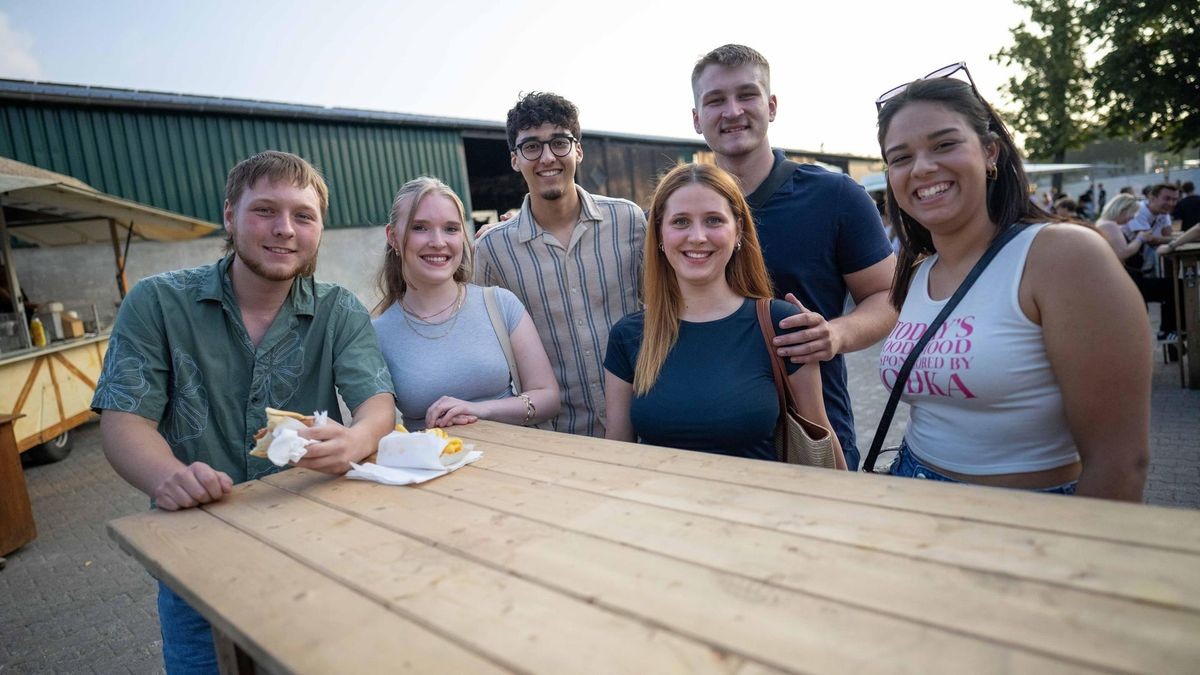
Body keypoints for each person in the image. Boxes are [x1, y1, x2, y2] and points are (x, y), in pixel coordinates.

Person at [92, 151, 398, 672]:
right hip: (198, 548)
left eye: (303, 216)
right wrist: (169, 477)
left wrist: (358, 438)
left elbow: (377, 405)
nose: (284, 230)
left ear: (319, 228)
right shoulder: (156, 303)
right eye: (265, 211)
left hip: (312, 542)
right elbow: (124, 421)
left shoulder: (339, 309)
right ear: (230, 215)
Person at [875, 66, 1148, 500]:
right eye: (901, 157)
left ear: (990, 152)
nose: (923, 168)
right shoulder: (918, 271)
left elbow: (1119, 462)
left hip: (1026, 514)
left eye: (945, 144)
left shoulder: (1064, 256)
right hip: (911, 492)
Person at [689, 44, 897, 470]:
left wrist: (834, 335)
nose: (732, 111)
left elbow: (889, 297)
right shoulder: (674, 216)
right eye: (715, 100)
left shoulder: (837, 196)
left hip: (811, 436)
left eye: (746, 95)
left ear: (771, 105)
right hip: (703, 440)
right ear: (696, 119)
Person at [604, 162, 843, 466]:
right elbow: (618, 451)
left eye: (714, 220)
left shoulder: (780, 324)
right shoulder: (629, 336)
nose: (698, 237)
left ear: (738, 231)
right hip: (659, 510)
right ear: (660, 235)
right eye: (680, 222)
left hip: (764, 511)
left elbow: (821, 439)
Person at [473, 92, 645, 437]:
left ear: (578, 150)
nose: (547, 157)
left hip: (646, 424)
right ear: (514, 159)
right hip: (558, 436)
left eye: (559, 142)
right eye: (532, 147)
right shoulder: (493, 250)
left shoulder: (629, 221)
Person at [372, 177, 559, 430]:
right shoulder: (377, 334)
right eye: (420, 227)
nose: (438, 241)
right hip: (433, 467)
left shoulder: (500, 304)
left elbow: (548, 398)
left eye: (451, 228)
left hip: (514, 465)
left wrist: (479, 410)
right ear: (393, 238)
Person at [1096, 193, 1177, 338]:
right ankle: (1168, 330)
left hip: (1124, 279)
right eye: (1131, 214)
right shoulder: (1109, 225)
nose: (1132, 219)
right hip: (1126, 281)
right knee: (1173, 288)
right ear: (1122, 210)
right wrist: (1140, 238)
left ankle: (1168, 331)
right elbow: (1123, 253)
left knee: (1169, 288)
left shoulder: (1105, 223)